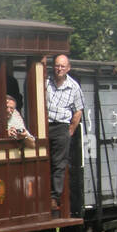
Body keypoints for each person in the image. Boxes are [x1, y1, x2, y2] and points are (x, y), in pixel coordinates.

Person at [46, 54, 84, 210]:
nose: (59, 69)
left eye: (62, 66)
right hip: (45, 124)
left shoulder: (74, 87)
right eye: (57, 65)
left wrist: (70, 131)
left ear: (68, 68)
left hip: (62, 126)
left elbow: (78, 111)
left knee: (59, 163)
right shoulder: (46, 82)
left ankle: (54, 197)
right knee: (44, 159)